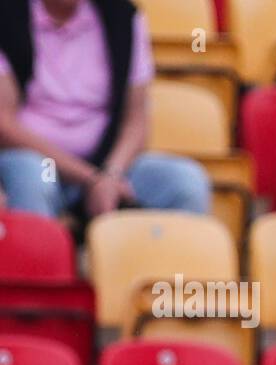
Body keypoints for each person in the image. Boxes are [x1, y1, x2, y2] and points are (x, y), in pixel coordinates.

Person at [0, 0, 211, 219]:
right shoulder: (7, 15)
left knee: (186, 182)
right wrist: (90, 177)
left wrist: (111, 174)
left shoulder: (121, 16)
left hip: (108, 163)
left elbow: (137, 120)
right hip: (45, 164)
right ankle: (40, 253)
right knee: (32, 177)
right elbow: (4, 125)